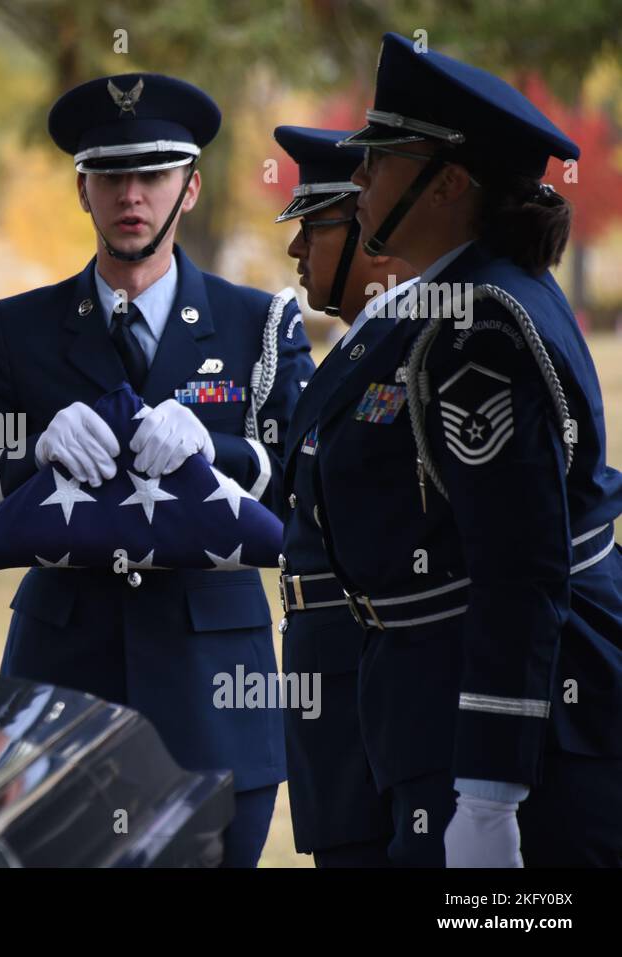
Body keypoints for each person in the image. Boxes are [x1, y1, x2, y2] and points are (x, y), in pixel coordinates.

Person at [0, 73, 315, 867]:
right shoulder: (18, 330)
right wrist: (30, 450)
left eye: (153, 174)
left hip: (215, 687)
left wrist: (221, 451)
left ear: (191, 187)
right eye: (110, 176)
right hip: (61, 690)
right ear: (81, 190)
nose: (130, 195)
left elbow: (322, 493)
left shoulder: (259, 323)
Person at [315, 32, 622, 866]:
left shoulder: (484, 327)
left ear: (448, 183)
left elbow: (520, 568)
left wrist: (490, 793)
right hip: (427, 700)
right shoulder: (448, 306)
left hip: (512, 727)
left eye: (380, 162)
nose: (361, 181)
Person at [271, 124, 416, 866]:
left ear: (372, 230)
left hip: (382, 692)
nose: (297, 249)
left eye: (314, 226)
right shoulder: (361, 347)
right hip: (331, 693)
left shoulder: (417, 345)